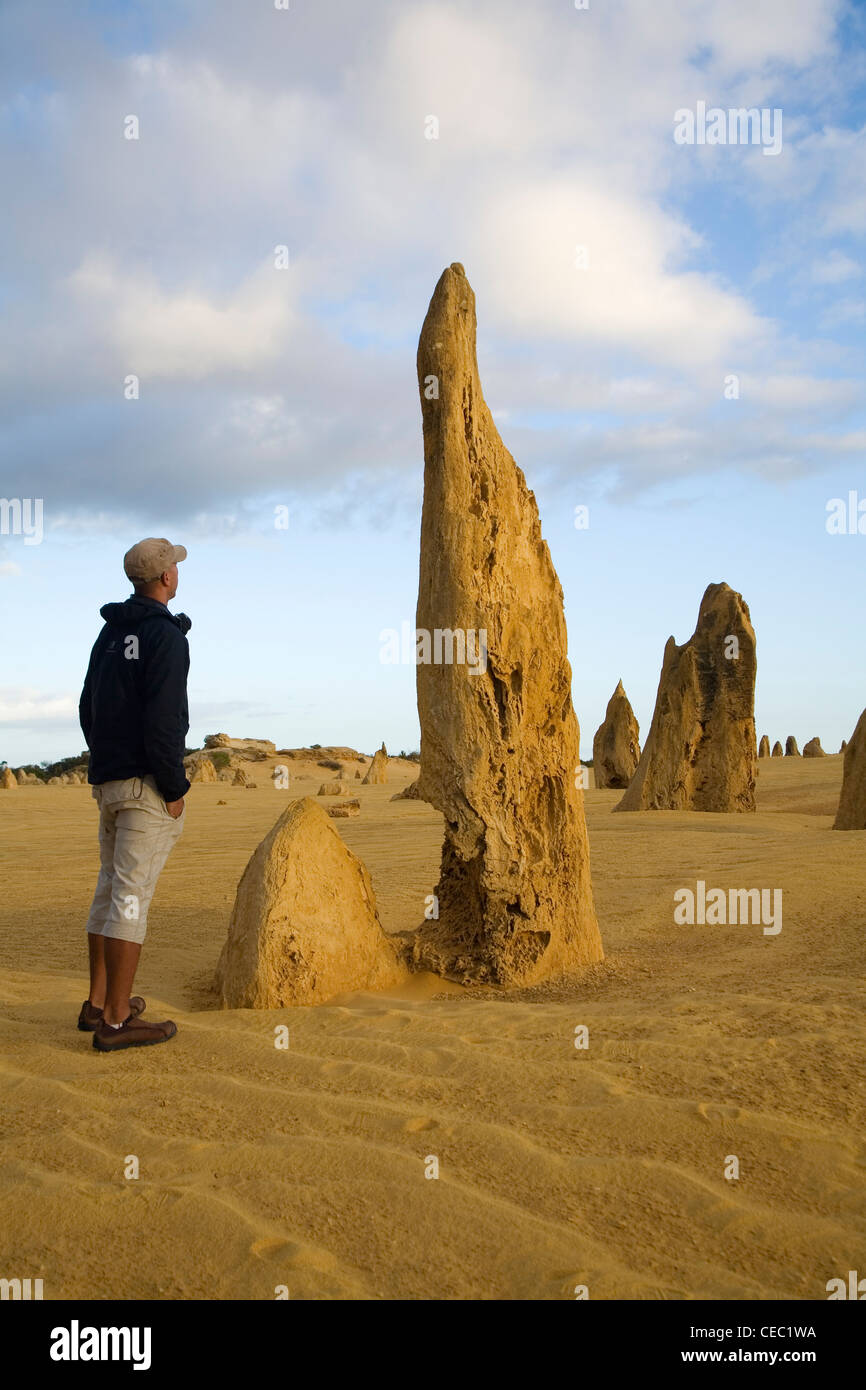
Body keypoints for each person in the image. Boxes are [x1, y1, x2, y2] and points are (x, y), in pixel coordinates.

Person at [78, 538, 191, 1052]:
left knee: (109, 891)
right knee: (129, 897)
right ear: (166, 577)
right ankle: (118, 1022)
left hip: (109, 782)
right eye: (175, 567)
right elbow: (164, 718)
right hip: (145, 786)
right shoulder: (165, 636)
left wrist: (105, 763)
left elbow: (88, 706)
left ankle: (98, 1002)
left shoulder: (111, 632)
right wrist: (173, 786)